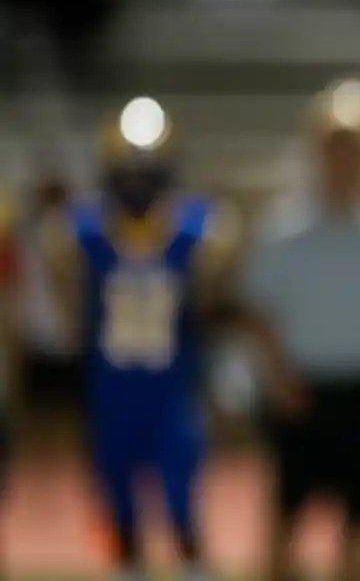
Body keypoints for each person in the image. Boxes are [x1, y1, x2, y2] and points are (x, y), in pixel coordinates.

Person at [41, 99, 236, 579]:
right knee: (121, 510)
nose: (137, 183)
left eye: (146, 171)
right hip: (113, 389)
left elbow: (214, 289)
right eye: (128, 171)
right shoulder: (81, 230)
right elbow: (59, 267)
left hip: (171, 387)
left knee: (180, 505)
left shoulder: (196, 228)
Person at [239, 87, 360, 581]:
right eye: (334, 148)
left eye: (354, 149)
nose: (343, 161)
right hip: (303, 392)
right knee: (285, 523)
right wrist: (278, 382)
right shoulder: (282, 232)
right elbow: (259, 315)